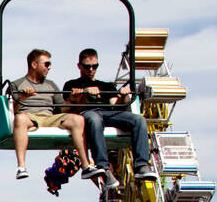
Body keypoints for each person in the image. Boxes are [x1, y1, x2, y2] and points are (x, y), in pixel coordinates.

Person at [62, 47, 156, 184]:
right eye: (87, 66)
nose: (91, 70)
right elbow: (65, 107)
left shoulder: (106, 85)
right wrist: (83, 93)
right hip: (87, 112)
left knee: (138, 120)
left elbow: (115, 103)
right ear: (79, 66)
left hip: (108, 113)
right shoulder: (72, 84)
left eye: (94, 66)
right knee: (94, 119)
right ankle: (103, 167)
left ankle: (141, 165)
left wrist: (124, 95)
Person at [8, 48, 96, 182]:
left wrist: (73, 99)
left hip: (49, 117)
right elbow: (12, 110)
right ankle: (21, 167)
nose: (49, 68)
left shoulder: (51, 85)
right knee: (20, 119)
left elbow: (63, 108)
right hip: (29, 117)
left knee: (77, 119)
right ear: (34, 64)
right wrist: (22, 97)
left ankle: (86, 165)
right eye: (46, 64)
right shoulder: (17, 84)